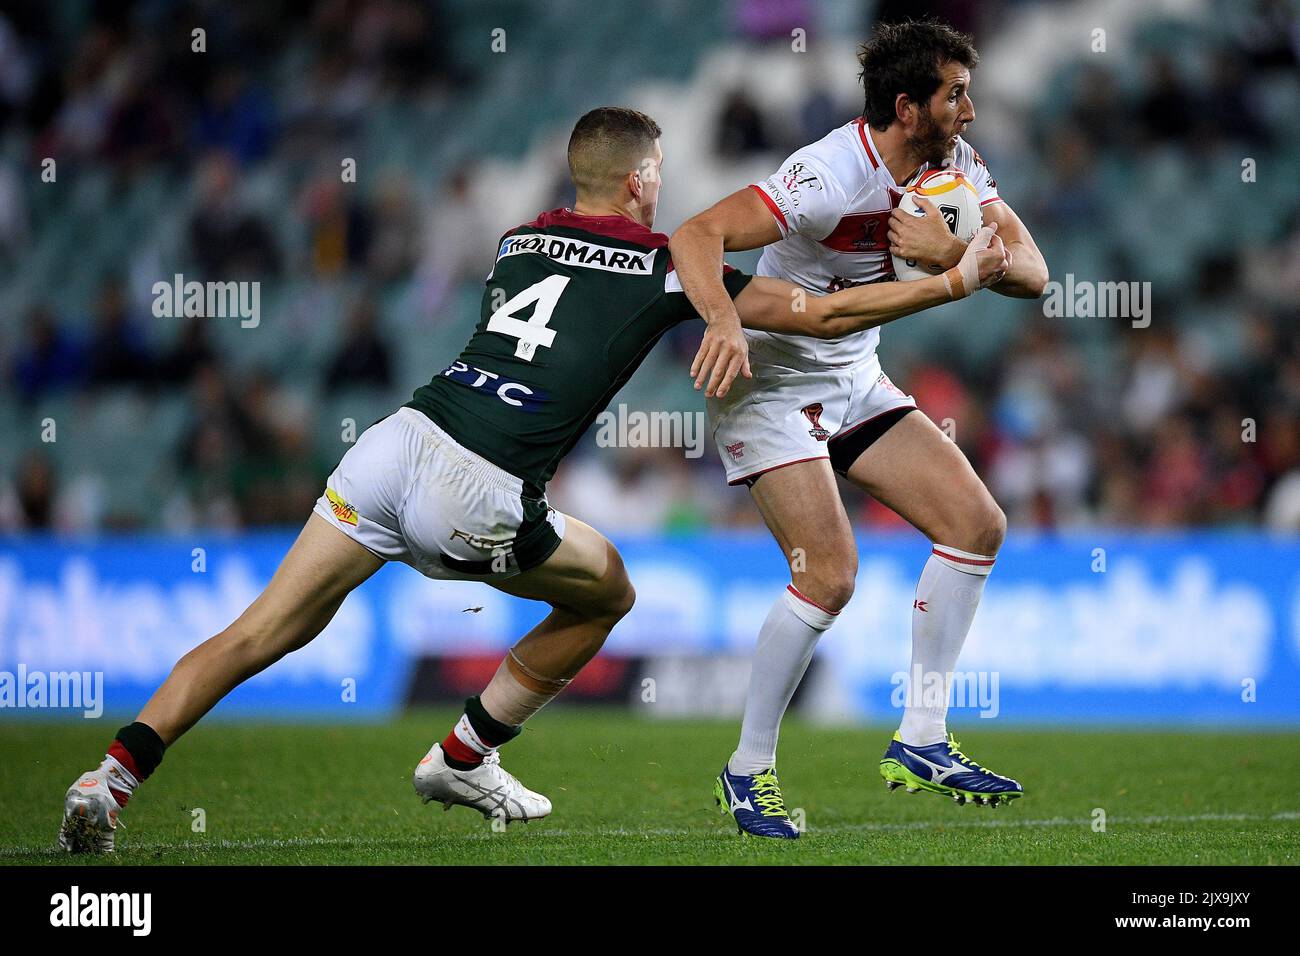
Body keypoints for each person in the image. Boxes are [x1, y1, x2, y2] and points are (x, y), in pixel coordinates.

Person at [60, 106, 1007, 853]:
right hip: (477, 488)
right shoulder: (657, 265)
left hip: (397, 439)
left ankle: (108, 778)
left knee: (259, 630)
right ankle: (466, 755)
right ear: (642, 181)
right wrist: (946, 283)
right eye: (660, 176)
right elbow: (819, 318)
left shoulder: (519, 239)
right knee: (610, 595)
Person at [670, 18, 1048, 838]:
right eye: (956, 95)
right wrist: (722, 321)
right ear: (908, 107)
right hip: (768, 381)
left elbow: (1033, 272)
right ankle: (748, 770)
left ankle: (922, 738)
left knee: (977, 525)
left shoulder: (957, 168)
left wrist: (954, 247)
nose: (972, 112)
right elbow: (694, 235)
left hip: (851, 375)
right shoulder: (827, 175)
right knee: (830, 575)